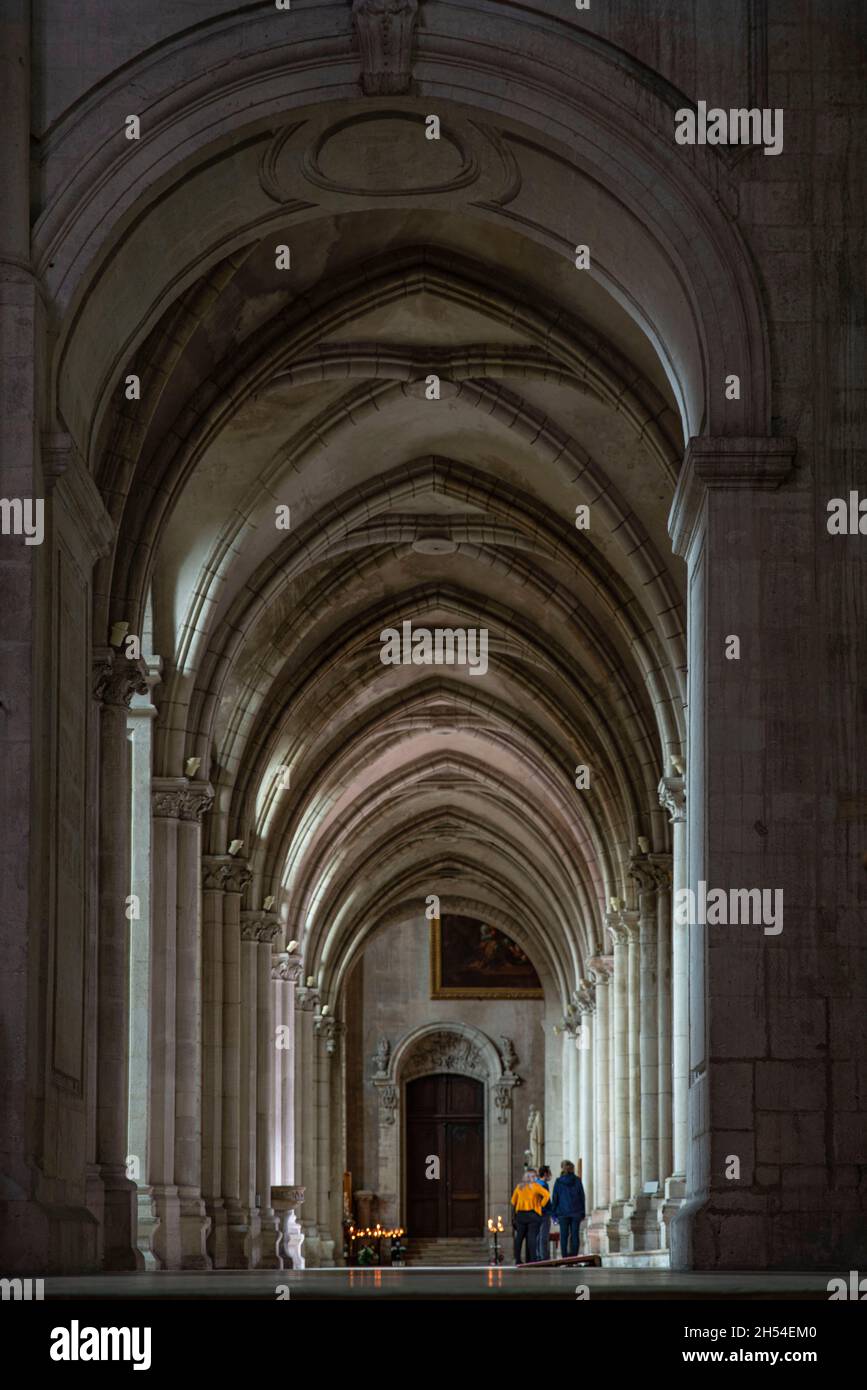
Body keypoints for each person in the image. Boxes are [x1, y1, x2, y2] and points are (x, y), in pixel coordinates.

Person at [510, 1169, 550, 1264]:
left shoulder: (519, 1187)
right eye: (534, 1176)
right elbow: (547, 1195)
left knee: (519, 1237)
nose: (535, 1178)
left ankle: (518, 1259)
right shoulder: (536, 1186)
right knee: (531, 1237)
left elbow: (512, 1201)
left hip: (520, 1215)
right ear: (531, 1177)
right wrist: (541, 1204)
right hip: (533, 1214)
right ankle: (532, 1260)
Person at [550, 1160, 586, 1258]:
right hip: (576, 1212)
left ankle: (565, 1256)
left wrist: (553, 1213)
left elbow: (555, 1198)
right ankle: (574, 1255)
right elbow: (582, 1196)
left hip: (562, 1213)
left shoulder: (558, 1181)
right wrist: (583, 1212)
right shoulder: (578, 1180)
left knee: (564, 1235)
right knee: (575, 1234)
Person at [536, 1165, 553, 1260]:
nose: (550, 1175)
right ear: (545, 1174)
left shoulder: (535, 1184)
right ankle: (544, 1257)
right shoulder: (543, 1185)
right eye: (549, 1173)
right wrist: (552, 1212)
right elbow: (547, 1201)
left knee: (538, 1236)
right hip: (544, 1213)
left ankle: (538, 1255)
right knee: (544, 1236)